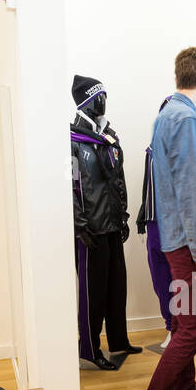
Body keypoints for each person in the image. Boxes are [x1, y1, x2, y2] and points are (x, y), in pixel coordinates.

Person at [139, 47, 196, 390]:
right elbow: (191, 190)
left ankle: (185, 387)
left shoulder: (165, 112)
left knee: (186, 320)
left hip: (172, 237)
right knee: (191, 327)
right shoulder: (186, 117)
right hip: (186, 244)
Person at [70, 74, 141, 369]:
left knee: (116, 287)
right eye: (100, 96)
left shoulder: (108, 136)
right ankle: (89, 349)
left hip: (112, 224)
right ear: (88, 100)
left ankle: (119, 340)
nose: (104, 102)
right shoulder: (73, 141)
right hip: (91, 230)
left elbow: (118, 180)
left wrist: (123, 214)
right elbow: (71, 186)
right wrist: (79, 224)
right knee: (92, 293)